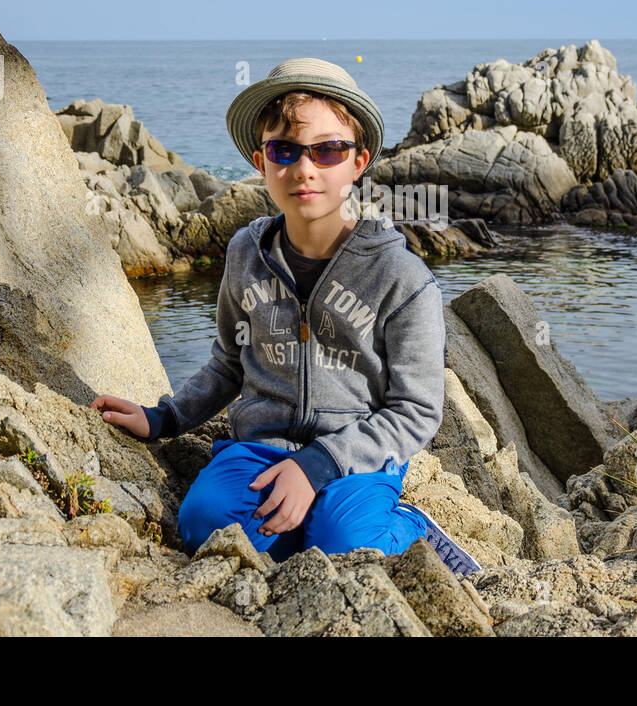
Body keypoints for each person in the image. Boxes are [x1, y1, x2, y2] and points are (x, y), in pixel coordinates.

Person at [92, 57, 480, 574]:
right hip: (260, 447)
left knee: (346, 547)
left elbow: (417, 410)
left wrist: (317, 465)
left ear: (358, 161)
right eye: (285, 151)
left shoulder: (400, 277)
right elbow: (230, 364)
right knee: (204, 524)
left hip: (353, 460)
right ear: (261, 160)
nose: (305, 168)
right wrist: (163, 417)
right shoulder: (244, 254)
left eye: (328, 150)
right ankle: (300, 521)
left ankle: (408, 526)